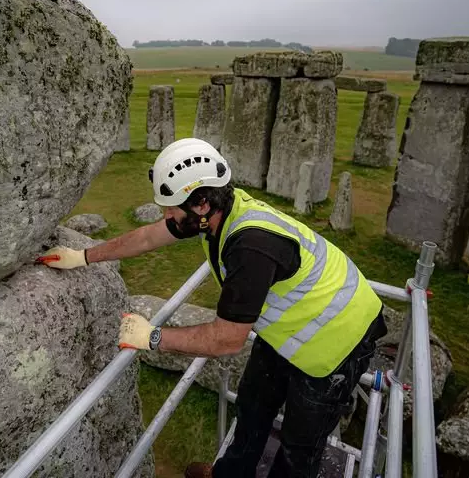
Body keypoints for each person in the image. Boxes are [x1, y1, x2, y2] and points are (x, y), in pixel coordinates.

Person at [39, 138, 387, 478]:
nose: (166, 214)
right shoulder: (217, 211)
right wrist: (83, 256)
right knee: (251, 406)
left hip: (339, 340)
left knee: (300, 445)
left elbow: (226, 340)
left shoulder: (251, 247)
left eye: (172, 206)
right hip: (295, 326)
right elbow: (147, 237)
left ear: (201, 203)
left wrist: (154, 336)